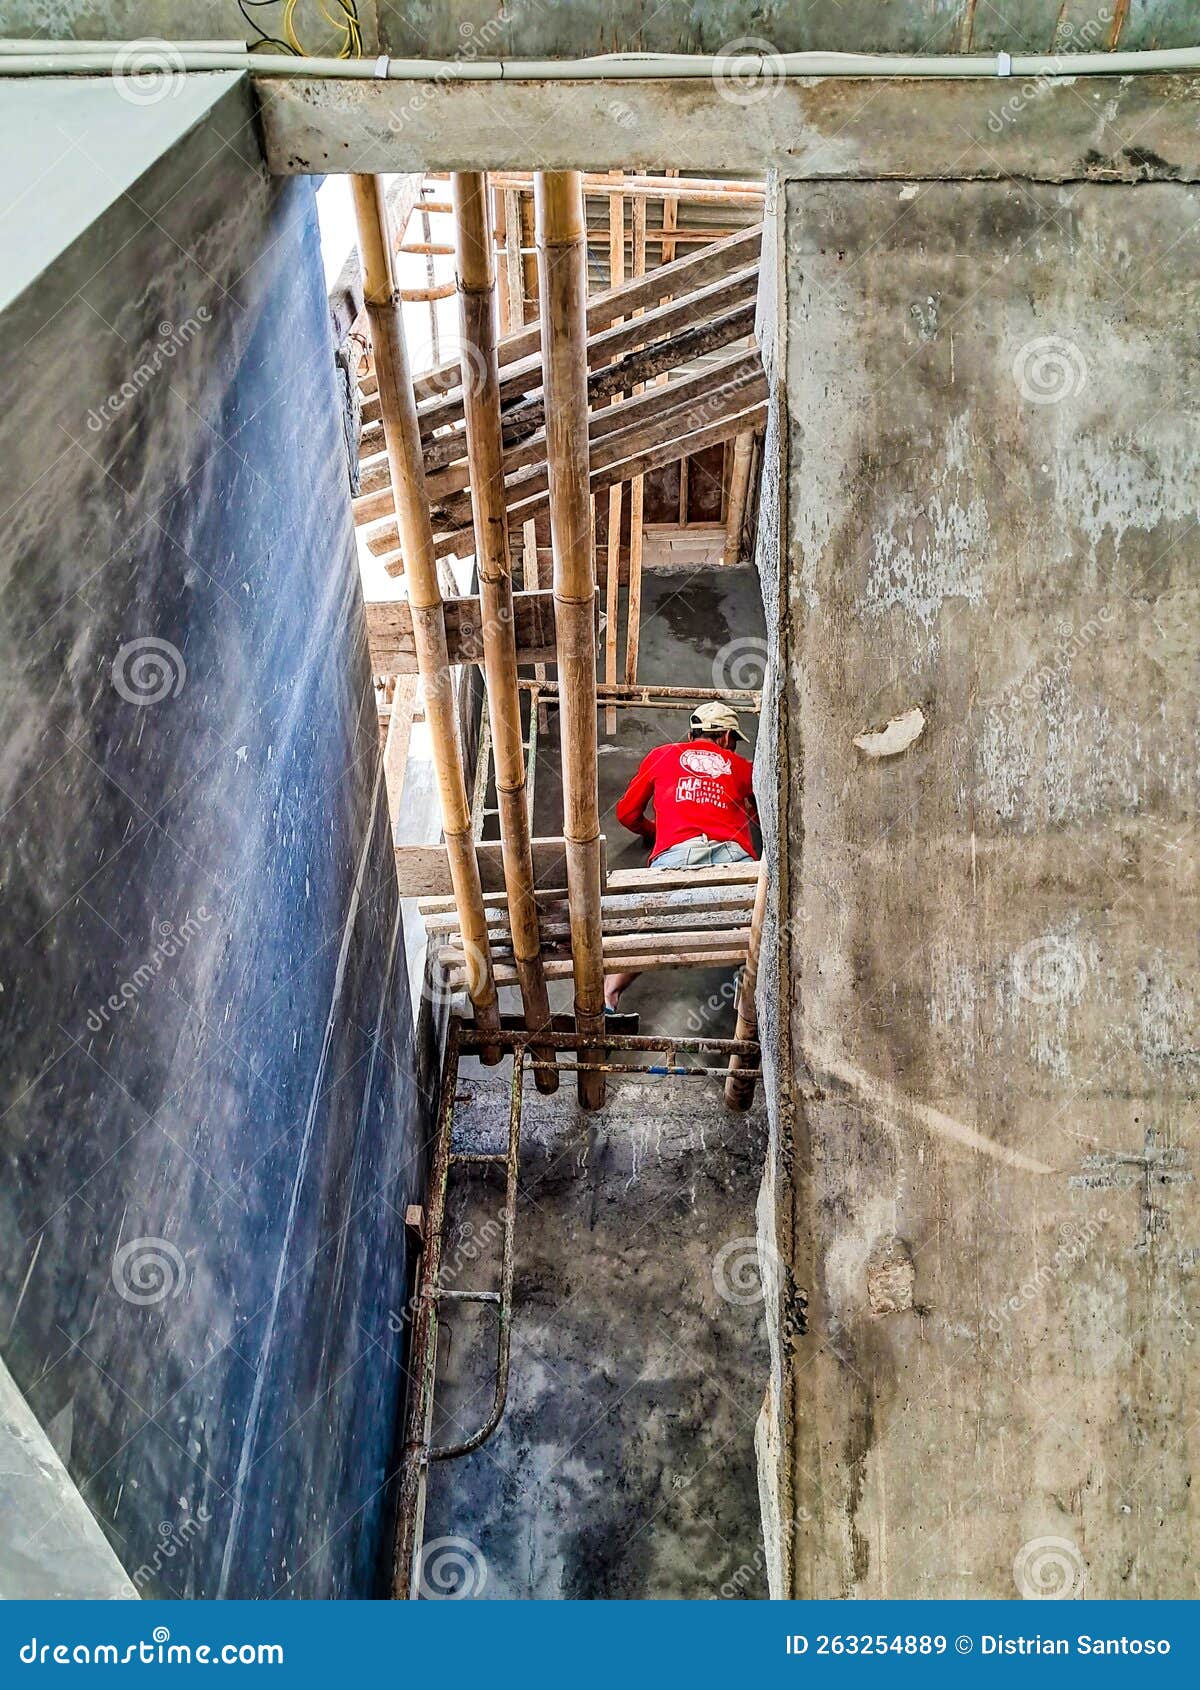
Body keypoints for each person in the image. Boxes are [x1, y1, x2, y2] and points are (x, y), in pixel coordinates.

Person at [604, 699, 758, 1011]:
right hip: (733, 860)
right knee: (759, 924)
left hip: (676, 857)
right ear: (727, 738)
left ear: (692, 734)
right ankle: (751, 1001)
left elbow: (626, 814)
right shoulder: (744, 769)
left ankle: (610, 995)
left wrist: (656, 831)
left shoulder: (661, 756)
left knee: (651, 924)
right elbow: (763, 818)